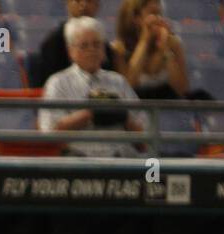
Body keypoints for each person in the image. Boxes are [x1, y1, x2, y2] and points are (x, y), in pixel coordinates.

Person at [39, 17, 145, 158]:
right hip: (77, 161)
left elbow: (146, 138)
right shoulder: (57, 82)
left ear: (103, 49)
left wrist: (122, 116)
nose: (92, 50)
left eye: (96, 44)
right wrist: (88, 114)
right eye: (84, 46)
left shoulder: (118, 82)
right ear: (71, 51)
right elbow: (48, 131)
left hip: (120, 160)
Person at [111, 0, 208, 99]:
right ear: (136, 18)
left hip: (170, 109)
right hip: (135, 110)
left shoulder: (173, 44)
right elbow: (127, 87)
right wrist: (144, 41)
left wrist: (165, 50)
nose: (159, 19)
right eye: (153, 13)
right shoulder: (119, 48)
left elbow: (182, 90)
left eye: (160, 14)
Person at [30, 0, 121, 89]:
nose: (83, 5)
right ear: (67, 4)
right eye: (77, 1)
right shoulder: (52, 44)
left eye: (89, 1)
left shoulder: (104, 45)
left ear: (97, 5)